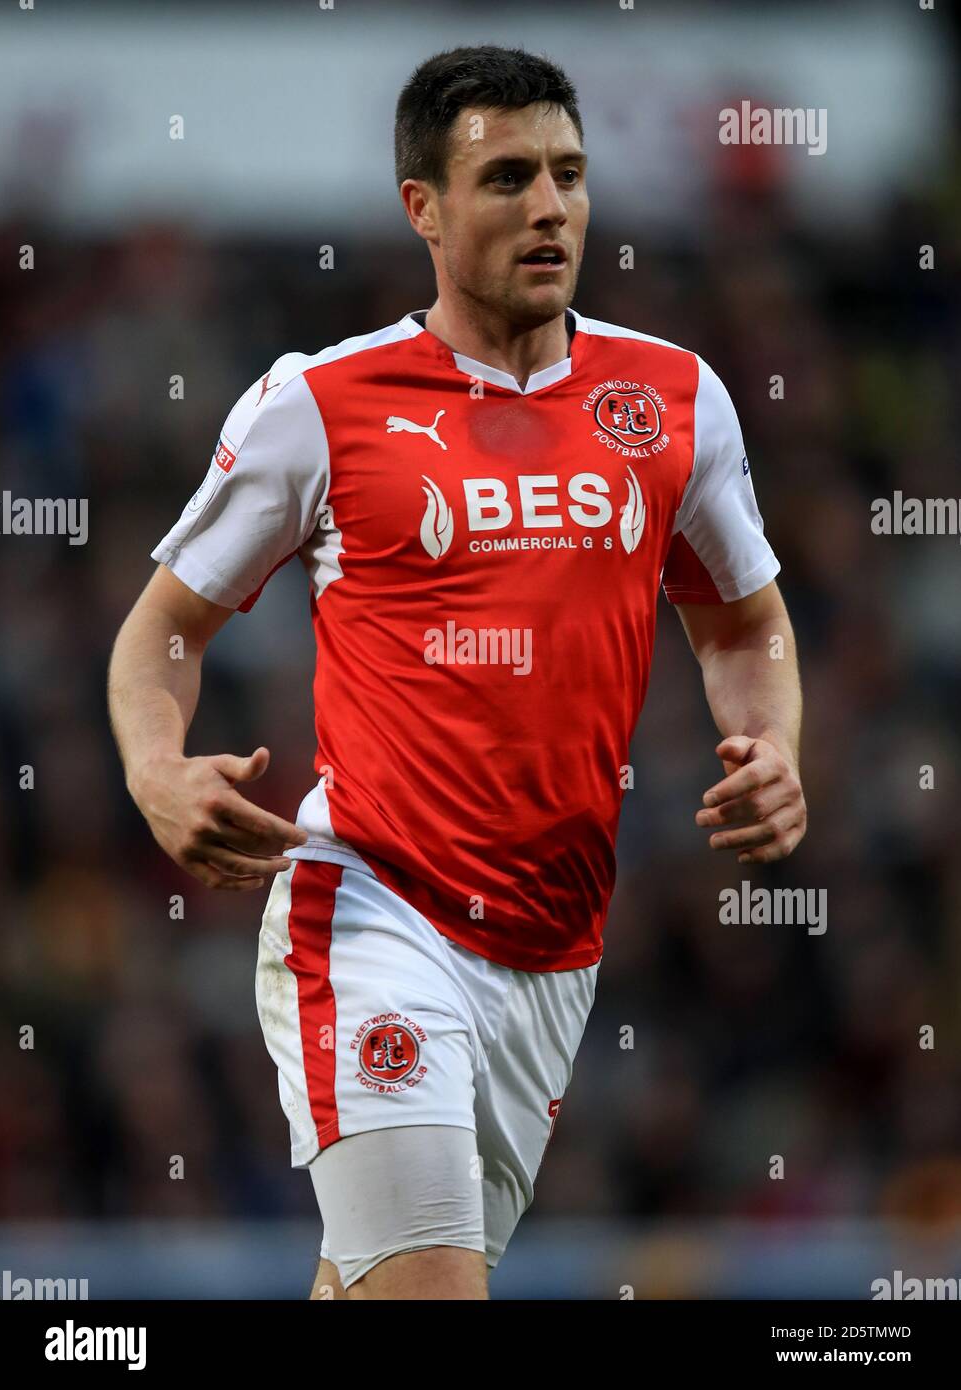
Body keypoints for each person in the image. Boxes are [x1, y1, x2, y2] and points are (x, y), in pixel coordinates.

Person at [108, 45, 806, 1301]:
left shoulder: (673, 400)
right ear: (421, 207)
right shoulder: (320, 403)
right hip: (373, 907)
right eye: (508, 178)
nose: (551, 207)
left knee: (374, 1282)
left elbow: (744, 624)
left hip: (555, 947)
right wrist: (155, 768)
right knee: (430, 1286)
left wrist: (774, 745)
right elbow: (163, 625)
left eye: (570, 175)